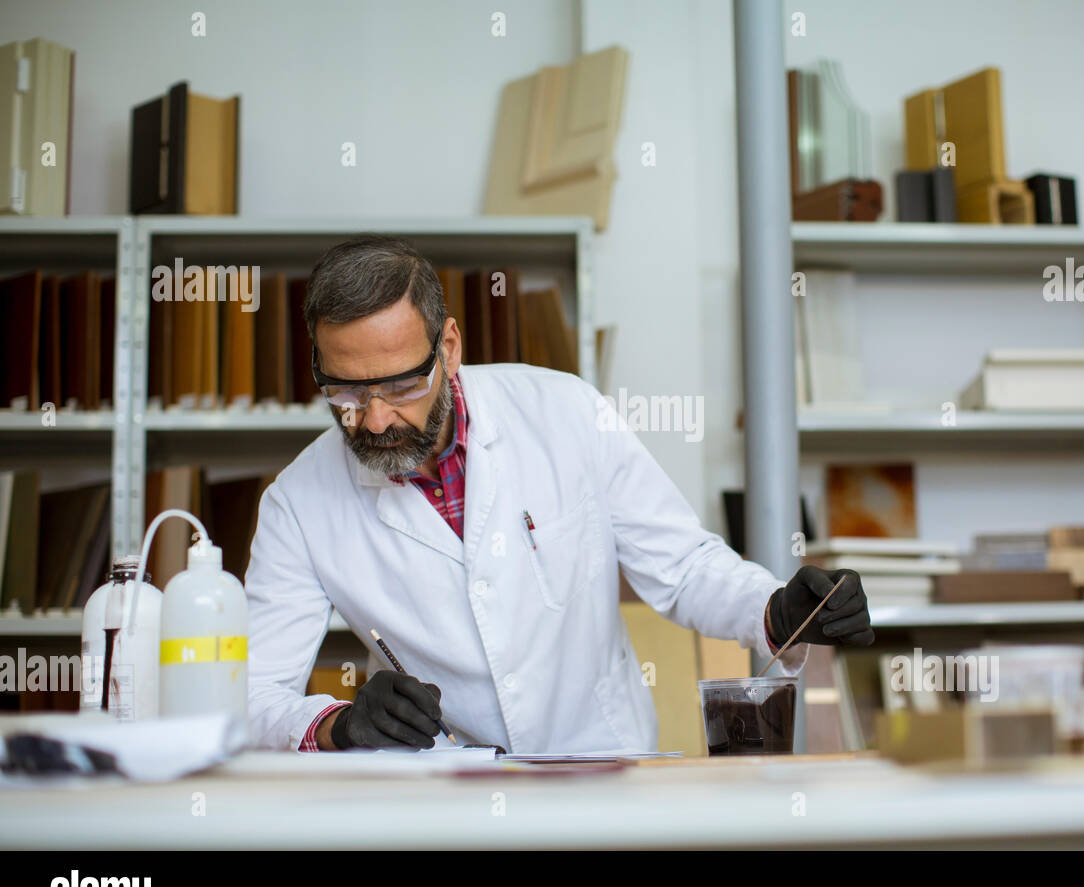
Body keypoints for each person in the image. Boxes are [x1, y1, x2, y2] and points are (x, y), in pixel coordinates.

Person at [245, 235, 873, 751]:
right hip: (444, 792)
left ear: (451, 348)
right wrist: (338, 724)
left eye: (402, 387)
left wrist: (775, 610)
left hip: (601, 766)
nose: (376, 420)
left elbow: (680, 568)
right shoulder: (298, 502)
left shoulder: (565, 410)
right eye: (347, 394)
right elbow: (251, 694)